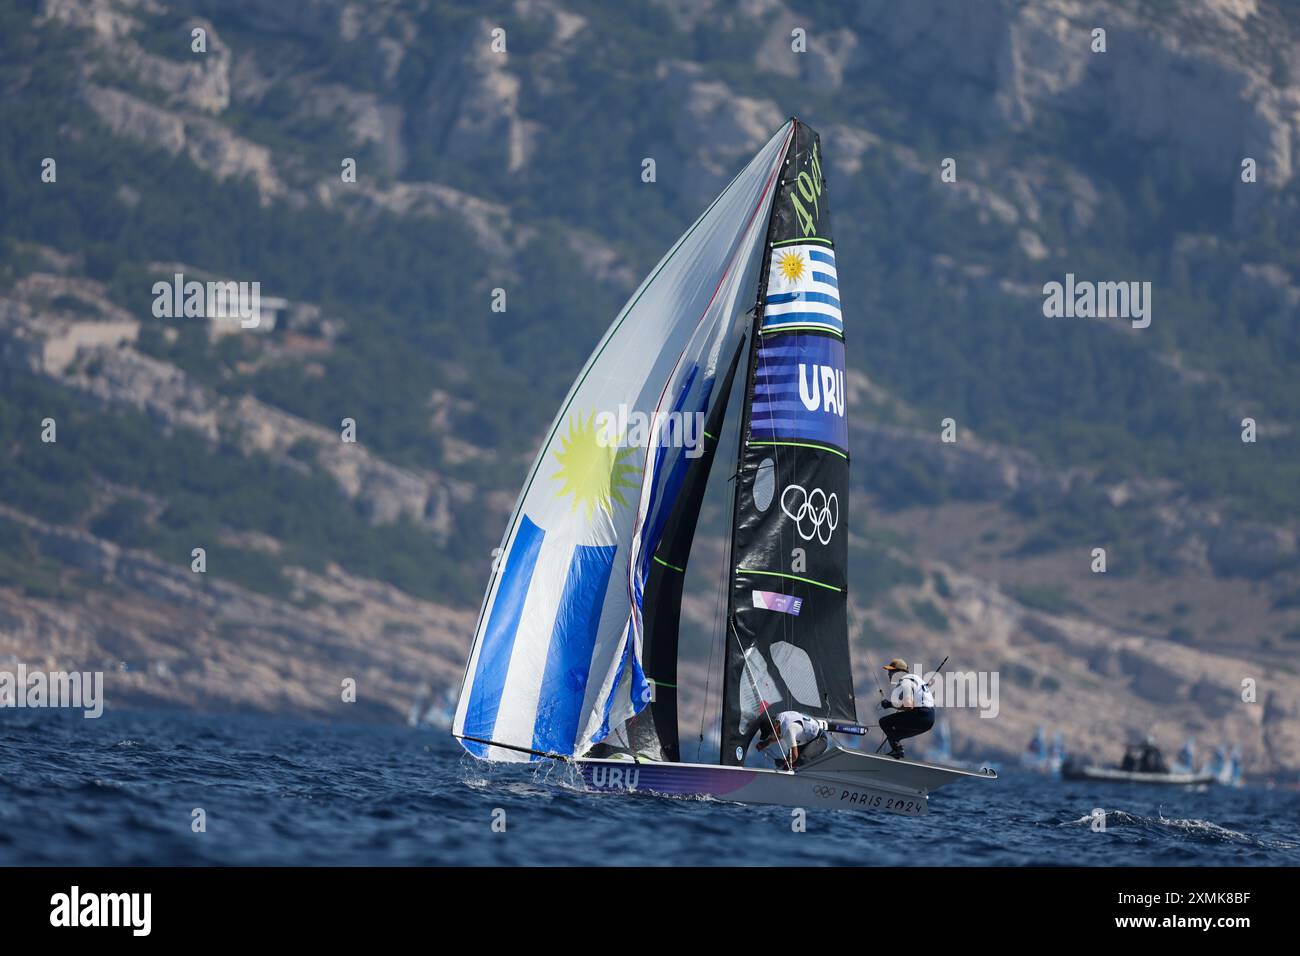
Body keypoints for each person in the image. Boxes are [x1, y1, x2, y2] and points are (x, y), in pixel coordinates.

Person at [878, 658, 935, 759]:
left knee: (884, 722)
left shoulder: (905, 681)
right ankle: (896, 752)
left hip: (920, 715)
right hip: (929, 719)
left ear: (899, 672)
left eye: (891, 671)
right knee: (895, 735)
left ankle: (898, 750)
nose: (889, 674)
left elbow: (909, 706)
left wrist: (890, 704)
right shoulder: (917, 679)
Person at [755, 709, 827, 770]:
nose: (770, 736)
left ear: (776, 727)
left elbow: (794, 756)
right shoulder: (779, 719)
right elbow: (778, 735)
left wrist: (783, 762)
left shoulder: (789, 731)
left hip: (819, 739)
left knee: (801, 760)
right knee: (787, 767)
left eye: (770, 734)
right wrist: (766, 743)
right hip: (804, 740)